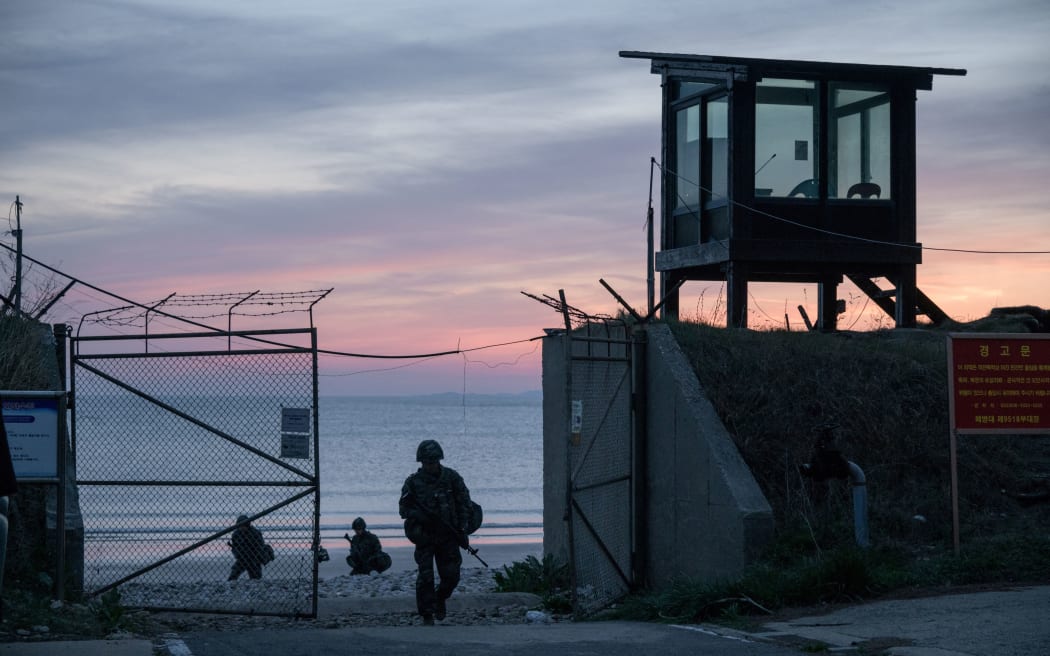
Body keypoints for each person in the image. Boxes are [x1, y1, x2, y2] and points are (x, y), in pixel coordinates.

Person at [399, 439, 473, 626]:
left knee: (452, 576)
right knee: (426, 577)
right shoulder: (413, 483)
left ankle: (440, 598)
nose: (431, 466)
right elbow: (403, 509)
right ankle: (427, 614)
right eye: (427, 462)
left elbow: (464, 503)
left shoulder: (452, 478)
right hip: (424, 536)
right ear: (421, 462)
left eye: (434, 461)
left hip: (448, 535)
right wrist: (420, 516)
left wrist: (463, 528)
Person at [228, 514, 268, 581]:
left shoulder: (255, 533)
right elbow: (235, 548)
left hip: (254, 558)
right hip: (242, 558)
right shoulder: (236, 534)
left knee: (256, 578)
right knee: (233, 575)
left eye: (244, 526)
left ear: (248, 525)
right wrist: (238, 554)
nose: (242, 528)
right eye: (240, 526)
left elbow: (260, 546)